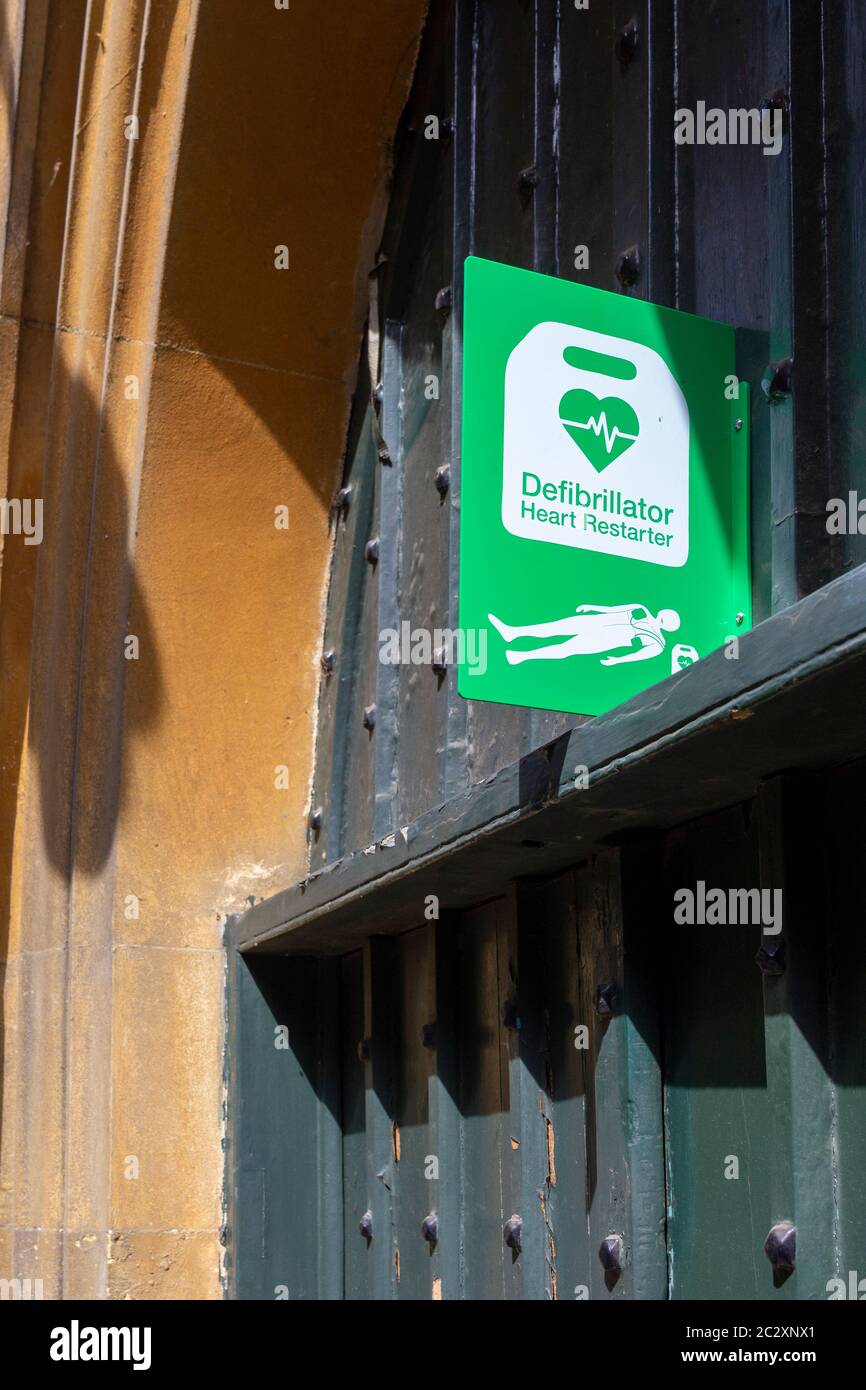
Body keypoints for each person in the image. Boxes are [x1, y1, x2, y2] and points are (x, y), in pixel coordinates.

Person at [488, 602, 680, 666]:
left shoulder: (658, 643)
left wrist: (617, 660)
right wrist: (592, 607)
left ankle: (521, 656)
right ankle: (512, 632)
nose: (662, 617)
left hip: (608, 639)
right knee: (554, 627)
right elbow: (614, 609)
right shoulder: (641, 609)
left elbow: (639, 655)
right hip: (598, 622)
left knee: (566, 649)